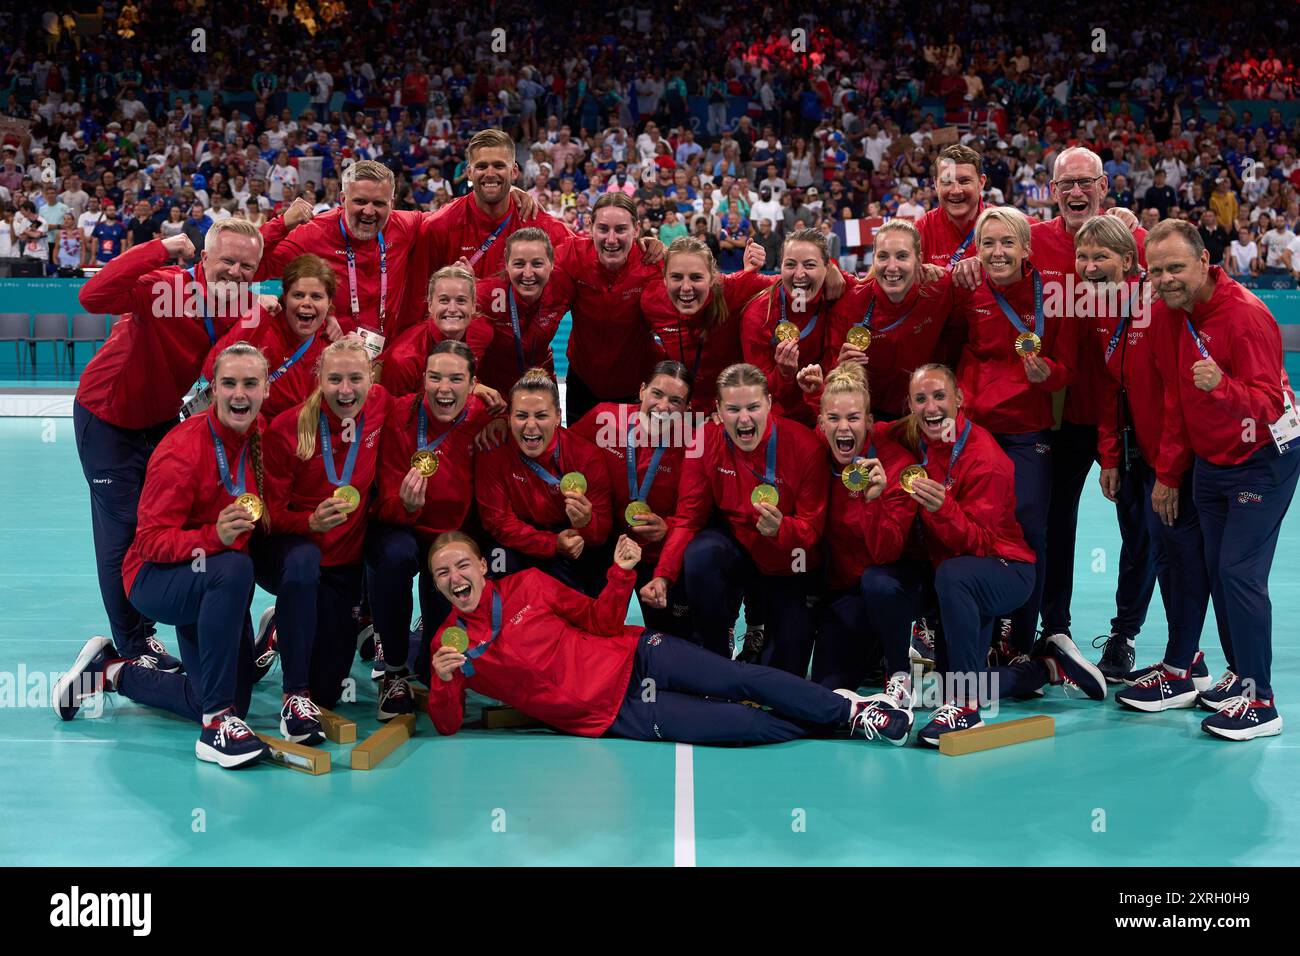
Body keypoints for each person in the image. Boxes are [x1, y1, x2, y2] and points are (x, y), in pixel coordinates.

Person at [422, 531, 897, 745]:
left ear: (483, 566)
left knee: (738, 678)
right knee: (741, 726)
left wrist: (620, 574)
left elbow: (600, 621)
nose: (455, 577)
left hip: (637, 655)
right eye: (442, 573)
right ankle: (831, 718)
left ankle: (853, 710)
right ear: (437, 584)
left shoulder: (528, 585)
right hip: (616, 714)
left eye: (463, 564)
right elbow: (446, 724)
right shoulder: (449, 644)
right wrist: (443, 683)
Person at [862, 364, 1105, 746]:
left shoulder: (986, 458)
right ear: (908, 405)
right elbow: (861, 429)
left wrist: (944, 509)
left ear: (959, 399)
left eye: (939, 396)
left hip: (1005, 569)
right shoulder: (911, 435)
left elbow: (980, 542)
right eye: (921, 399)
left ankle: (966, 708)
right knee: (891, 592)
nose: (931, 408)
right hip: (949, 573)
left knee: (954, 580)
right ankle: (1043, 670)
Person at [55, 343, 273, 769]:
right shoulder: (183, 447)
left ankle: (111, 672)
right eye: (228, 383)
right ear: (213, 389)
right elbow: (151, 542)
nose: (240, 394)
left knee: (228, 695)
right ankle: (215, 726)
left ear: (266, 389)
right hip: (156, 578)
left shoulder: (264, 441)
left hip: (210, 581)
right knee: (233, 567)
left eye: (251, 383)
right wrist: (213, 536)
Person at [74, 222, 267, 671]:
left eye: (247, 266)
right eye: (227, 262)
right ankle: (130, 646)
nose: (236, 272)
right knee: (122, 532)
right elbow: (92, 297)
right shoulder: (166, 287)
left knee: (165, 521)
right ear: (204, 259)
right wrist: (157, 248)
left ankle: (158, 631)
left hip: (162, 421)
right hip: (107, 417)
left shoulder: (242, 306)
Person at [1146, 219, 1299, 740]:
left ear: (1205, 261)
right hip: (1212, 461)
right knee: (1215, 569)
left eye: (1175, 268)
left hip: (1263, 457)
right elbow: (1174, 400)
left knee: (1238, 573)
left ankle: (1262, 701)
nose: (1165, 279)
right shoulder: (1170, 316)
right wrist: (1168, 475)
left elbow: (1271, 404)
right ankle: (1238, 676)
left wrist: (1222, 386)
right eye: (1156, 271)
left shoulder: (1247, 318)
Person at [1071, 216, 1222, 702]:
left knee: (1178, 555)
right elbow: (1106, 390)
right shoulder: (1095, 309)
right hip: (1135, 455)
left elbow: (1178, 396)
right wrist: (1111, 456)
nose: (1091, 267)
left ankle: (1187, 661)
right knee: (1143, 548)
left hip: (1172, 456)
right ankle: (1151, 645)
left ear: (1130, 261)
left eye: (1102, 258)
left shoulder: (1159, 307)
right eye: (1084, 257)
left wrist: (1171, 471)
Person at [641, 363, 828, 675]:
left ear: (769, 403)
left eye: (753, 407)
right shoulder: (705, 441)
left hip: (790, 565)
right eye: (733, 409)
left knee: (781, 676)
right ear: (717, 409)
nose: (744, 419)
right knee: (702, 553)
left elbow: (813, 531)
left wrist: (782, 530)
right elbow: (688, 518)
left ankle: (768, 635)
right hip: (740, 552)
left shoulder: (805, 446)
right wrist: (663, 576)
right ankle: (715, 655)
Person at [950, 205, 1076, 657]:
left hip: (1029, 431)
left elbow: (1069, 367)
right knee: (973, 527)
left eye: (1007, 243)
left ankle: (1021, 638)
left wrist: (1051, 374)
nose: (997, 252)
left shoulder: (1055, 295)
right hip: (977, 433)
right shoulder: (965, 289)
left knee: (1029, 530)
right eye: (988, 243)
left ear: (1026, 247)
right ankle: (976, 632)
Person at [256, 338, 392, 738]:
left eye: (355, 378)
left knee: (329, 692)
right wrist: (308, 524)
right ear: (318, 379)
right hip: (292, 554)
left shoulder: (382, 406)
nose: (345, 390)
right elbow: (268, 516)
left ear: (372, 379)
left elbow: (432, 405)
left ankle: (281, 630)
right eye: (334, 379)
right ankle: (292, 694)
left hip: (344, 566)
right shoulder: (288, 429)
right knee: (303, 562)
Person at [368, 340, 497, 714]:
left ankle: (419, 642)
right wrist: (406, 506)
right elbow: (381, 504)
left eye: (456, 379)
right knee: (394, 556)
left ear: (473, 385)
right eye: (435, 377)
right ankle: (392, 670)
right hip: (400, 528)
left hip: (452, 539)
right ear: (422, 379)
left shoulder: (485, 419)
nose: (444, 388)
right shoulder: (398, 414)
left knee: (431, 670)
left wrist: (502, 420)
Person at [801, 363, 918, 738]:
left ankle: (900, 672)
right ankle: (876, 650)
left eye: (853, 417)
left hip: (894, 583)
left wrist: (875, 501)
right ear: (820, 424)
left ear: (869, 420)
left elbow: (887, 553)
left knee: (877, 581)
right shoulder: (813, 452)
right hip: (843, 591)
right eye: (833, 418)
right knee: (824, 691)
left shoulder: (897, 464)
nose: (843, 428)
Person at [571, 361, 695, 633]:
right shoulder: (603, 418)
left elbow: (695, 514)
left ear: (687, 409)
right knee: (592, 631)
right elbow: (562, 448)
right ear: (641, 391)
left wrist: (668, 528)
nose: (663, 407)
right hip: (604, 544)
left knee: (668, 640)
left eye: (675, 401)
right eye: (657, 394)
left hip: (657, 551)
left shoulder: (693, 444)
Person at [405, 128, 573, 326]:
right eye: (482, 166)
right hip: (460, 352)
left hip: (523, 352)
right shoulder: (439, 226)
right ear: (469, 172)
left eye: (499, 166)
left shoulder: (538, 222)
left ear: (514, 172)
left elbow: (582, 264)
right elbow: (417, 303)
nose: (490, 174)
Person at [475, 368, 614, 594]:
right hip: (517, 542)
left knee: (595, 559)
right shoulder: (493, 450)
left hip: (570, 538)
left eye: (541, 415)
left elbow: (601, 533)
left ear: (558, 416)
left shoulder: (586, 456)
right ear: (508, 418)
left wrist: (587, 522)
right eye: (521, 416)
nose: (531, 425)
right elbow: (498, 523)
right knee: (497, 558)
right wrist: (551, 544)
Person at [823, 219, 957, 421]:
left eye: (902, 256)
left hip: (926, 412)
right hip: (871, 417)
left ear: (919, 259)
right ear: (873, 260)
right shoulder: (851, 304)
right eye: (883, 256)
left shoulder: (941, 288)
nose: (892, 267)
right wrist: (840, 367)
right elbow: (830, 373)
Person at [556, 192, 665, 424]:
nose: (612, 239)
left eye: (621, 230)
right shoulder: (572, 254)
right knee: (579, 456)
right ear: (590, 226)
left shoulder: (655, 263)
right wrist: (516, 194)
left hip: (636, 386)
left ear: (636, 230)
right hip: (582, 382)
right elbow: (530, 242)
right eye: (603, 229)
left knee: (629, 460)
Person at [640, 235, 774, 412]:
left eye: (696, 278)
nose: (686, 287)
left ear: (712, 278)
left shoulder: (736, 287)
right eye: (676, 277)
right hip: (677, 409)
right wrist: (645, 243)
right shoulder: (652, 300)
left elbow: (792, 283)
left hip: (727, 412)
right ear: (664, 279)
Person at [203, 253, 333, 422]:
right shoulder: (263, 330)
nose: (306, 303)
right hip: (255, 438)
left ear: (329, 302)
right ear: (285, 298)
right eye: (298, 295)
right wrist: (257, 316)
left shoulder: (330, 341)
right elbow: (210, 374)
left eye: (316, 296)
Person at [740, 228, 838, 427]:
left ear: (827, 268)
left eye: (809, 265)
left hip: (826, 411)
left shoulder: (837, 297)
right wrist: (783, 374)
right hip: (777, 419)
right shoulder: (759, 314)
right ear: (780, 267)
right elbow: (757, 391)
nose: (799, 274)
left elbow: (872, 286)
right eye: (790, 264)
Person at [475, 227, 575, 396]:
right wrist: (473, 385)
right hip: (493, 392)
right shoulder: (484, 295)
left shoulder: (563, 287)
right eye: (519, 264)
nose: (528, 274)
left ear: (551, 264)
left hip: (541, 387)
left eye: (537, 264)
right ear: (507, 264)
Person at [379, 266, 496, 397]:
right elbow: (391, 413)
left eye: (461, 300)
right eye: (444, 300)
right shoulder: (404, 359)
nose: (452, 309)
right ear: (430, 305)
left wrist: (472, 387)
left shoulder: (482, 334)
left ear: (473, 306)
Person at [916, 145, 985, 271]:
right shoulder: (920, 231)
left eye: (964, 181)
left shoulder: (1008, 225)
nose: (956, 191)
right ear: (936, 185)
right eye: (947, 182)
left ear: (981, 183)